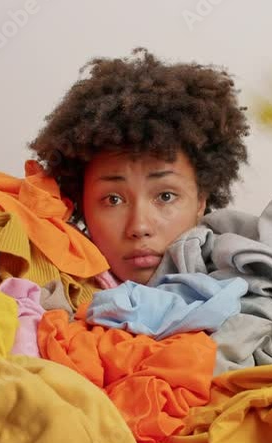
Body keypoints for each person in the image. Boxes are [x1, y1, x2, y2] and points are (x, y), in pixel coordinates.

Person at [29, 48, 250, 285]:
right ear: (81, 204)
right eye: (113, 200)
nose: (139, 227)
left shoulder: (255, 288)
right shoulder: (33, 293)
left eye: (165, 196)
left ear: (201, 200)